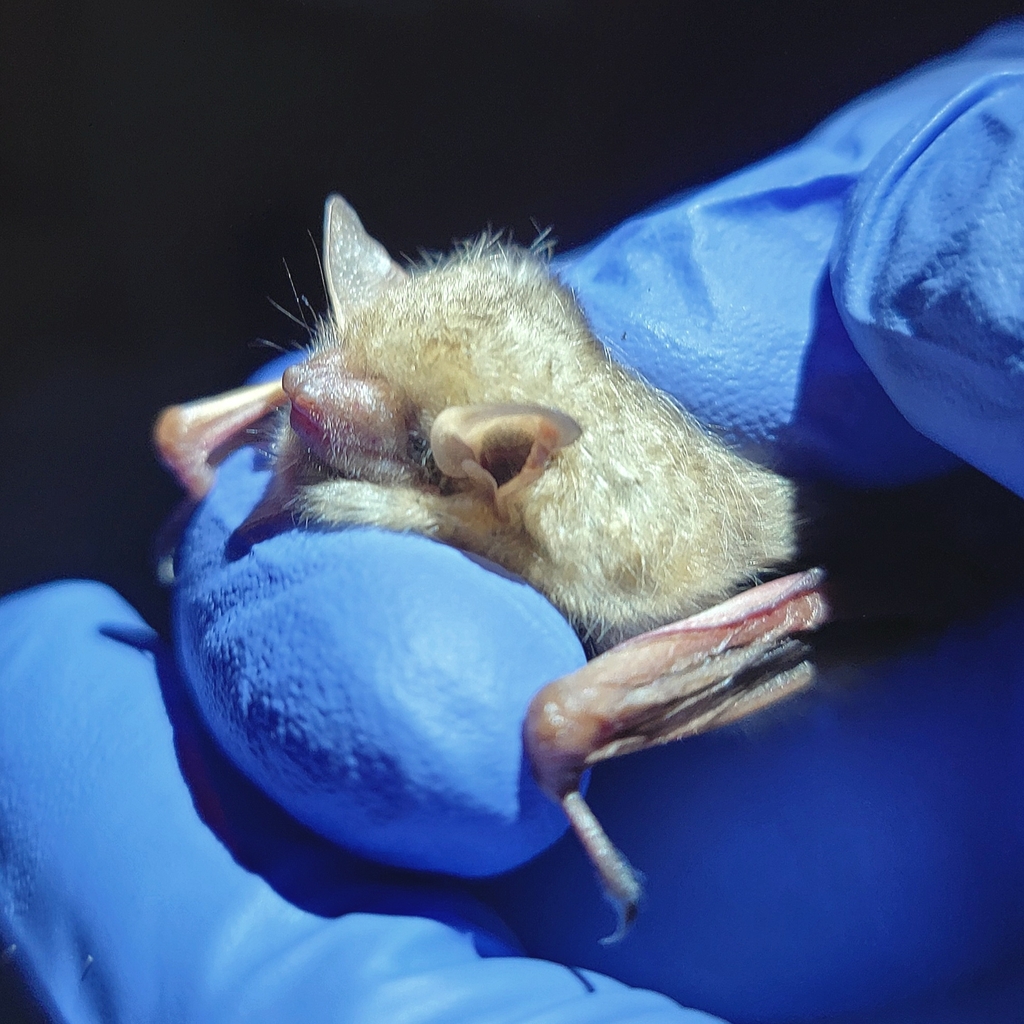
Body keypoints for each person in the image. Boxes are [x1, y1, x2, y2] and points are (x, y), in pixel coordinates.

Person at [2, 20, 1022, 1024]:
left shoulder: (623, 558)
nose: (309, 389)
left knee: (556, 725)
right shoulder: (388, 400)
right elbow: (356, 373)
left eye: (366, 408)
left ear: (491, 465)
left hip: (765, 580)